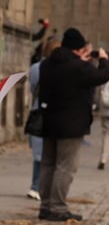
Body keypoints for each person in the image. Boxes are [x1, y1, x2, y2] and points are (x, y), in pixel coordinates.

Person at [36, 27, 109, 221]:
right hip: (70, 124)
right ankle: (58, 208)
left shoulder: (47, 64)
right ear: (78, 49)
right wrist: (103, 59)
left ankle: (45, 206)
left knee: (48, 164)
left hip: (48, 121)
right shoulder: (78, 67)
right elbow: (102, 76)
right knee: (65, 167)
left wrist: (81, 62)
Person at [26, 38, 60, 201]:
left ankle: (35, 186)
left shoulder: (35, 68)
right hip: (55, 111)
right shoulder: (60, 68)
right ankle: (43, 187)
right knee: (51, 153)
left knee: (39, 153)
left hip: (38, 109)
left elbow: (33, 88)